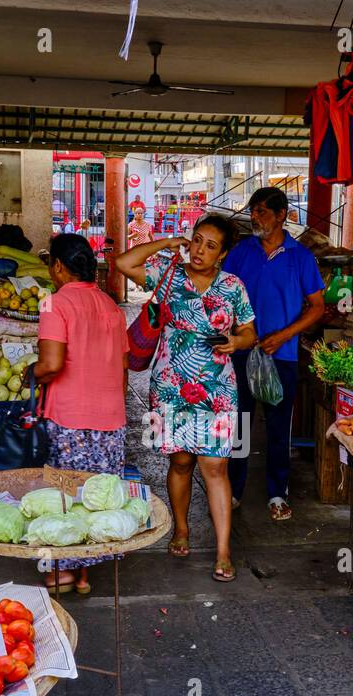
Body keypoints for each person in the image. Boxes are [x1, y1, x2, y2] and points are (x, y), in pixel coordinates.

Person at [115, 215, 257, 583]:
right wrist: (166, 244)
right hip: (169, 386)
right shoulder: (169, 275)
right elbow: (123, 263)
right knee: (179, 463)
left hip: (219, 388)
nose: (199, 250)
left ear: (223, 254)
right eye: (196, 240)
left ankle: (224, 550)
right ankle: (181, 529)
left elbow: (250, 333)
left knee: (216, 467)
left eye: (210, 246)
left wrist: (237, 342)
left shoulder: (233, 287)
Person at [32, 233, 128, 595]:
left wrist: (31, 372)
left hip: (69, 418)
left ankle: (62, 572)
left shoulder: (52, 303)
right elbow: (123, 367)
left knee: (63, 493)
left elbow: (51, 365)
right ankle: (87, 573)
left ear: (58, 266)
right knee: (97, 495)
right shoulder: (111, 305)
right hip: (110, 418)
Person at [222, 186, 324, 522]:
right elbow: (223, 296)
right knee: (240, 425)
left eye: (262, 211)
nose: (255, 216)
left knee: (280, 429)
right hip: (241, 352)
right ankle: (233, 491)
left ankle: (278, 492)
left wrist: (283, 335)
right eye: (253, 210)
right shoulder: (240, 252)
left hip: (282, 356)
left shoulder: (300, 257)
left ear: (282, 215)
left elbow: (317, 308)